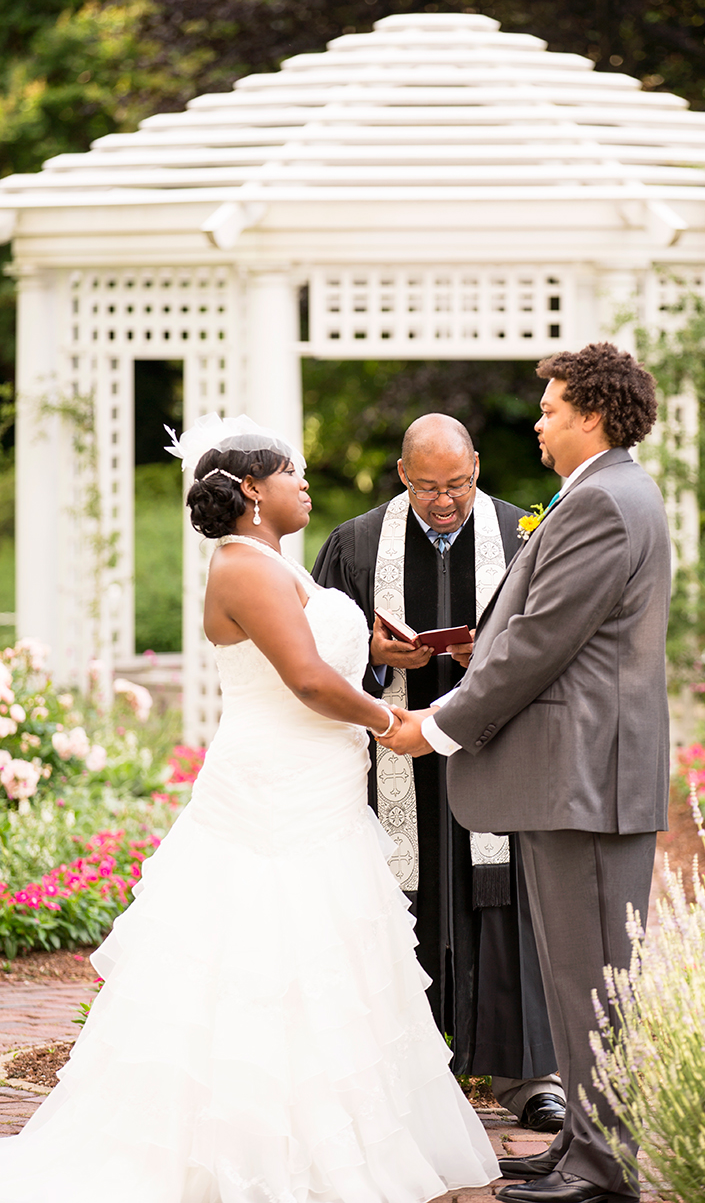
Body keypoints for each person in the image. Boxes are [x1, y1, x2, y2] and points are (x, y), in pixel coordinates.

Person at [0, 412, 497, 1203]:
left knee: (329, 961)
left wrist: (376, 652)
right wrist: (390, 721)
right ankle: (251, 1145)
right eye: (293, 473)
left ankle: (336, 1133)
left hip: (321, 791)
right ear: (256, 494)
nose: (307, 484)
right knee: (263, 958)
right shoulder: (241, 568)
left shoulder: (279, 567)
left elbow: (314, 650)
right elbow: (302, 680)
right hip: (273, 796)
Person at [384, 345, 671, 1203]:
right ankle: (582, 1143)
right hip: (578, 777)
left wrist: (437, 727)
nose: (538, 422)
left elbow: (540, 646)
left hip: (586, 780)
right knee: (578, 978)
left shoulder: (605, 504)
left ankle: (603, 1165)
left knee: (593, 983)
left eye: (548, 408)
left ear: (589, 413)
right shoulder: (604, 494)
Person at [312, 414, 566, 1132]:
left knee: (505, 905)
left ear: (478, 468)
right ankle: (404, 1079)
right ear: (402, 476)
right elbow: (315, 660)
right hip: (401, 762)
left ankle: (526, 1077)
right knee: (401, 910)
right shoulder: (358, 544)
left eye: (458, 483)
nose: (445, 500)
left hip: (495, 755)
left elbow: (557, 642)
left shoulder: (525, 535)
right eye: (428, 487)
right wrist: (374, 656)